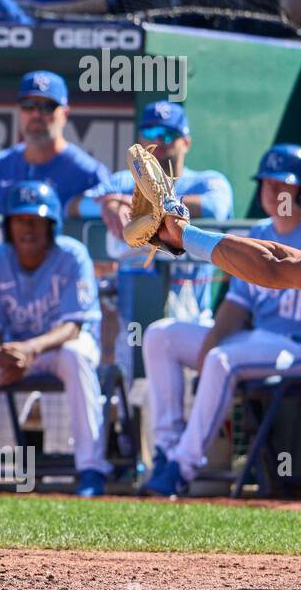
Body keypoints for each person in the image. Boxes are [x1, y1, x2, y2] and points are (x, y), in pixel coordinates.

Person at [139, 145, 301, 497]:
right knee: (160, 335)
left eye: (283, 183)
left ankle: (181, 469)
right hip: (261, 338)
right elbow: (252, 287)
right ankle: (167, 453)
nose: (273, 190)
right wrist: (211, 340)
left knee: (222, 359)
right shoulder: (258, 232)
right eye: (267, 182)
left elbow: (281, 267)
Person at [0, 181, 108, 495]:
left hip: (58, 349)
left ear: (51, 225)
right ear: (9, 226)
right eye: (20, 220)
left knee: (76, 355)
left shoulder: (73, 255)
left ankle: (91, 469)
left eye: (36, 220)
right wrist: (4, 357)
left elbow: (73, 326)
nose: (28, 228)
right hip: (15, 353)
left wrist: (30, 350)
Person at [76, 102, 233, 382]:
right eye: (150, 132)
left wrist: (152, 204)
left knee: (188, 396)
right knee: (126, 394)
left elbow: (216, 207)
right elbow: (76, 206)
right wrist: (108, 204)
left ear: (186, 142)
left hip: (190, 317)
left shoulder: (205, 181)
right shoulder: (123, 182)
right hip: (130, 318)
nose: (158, 141)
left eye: (168, 134)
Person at [0, 70, 108, 214]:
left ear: (64, 114)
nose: (36, 114)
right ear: (19, 111)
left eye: (47, 107)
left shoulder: (90, 174)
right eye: (28, 105)